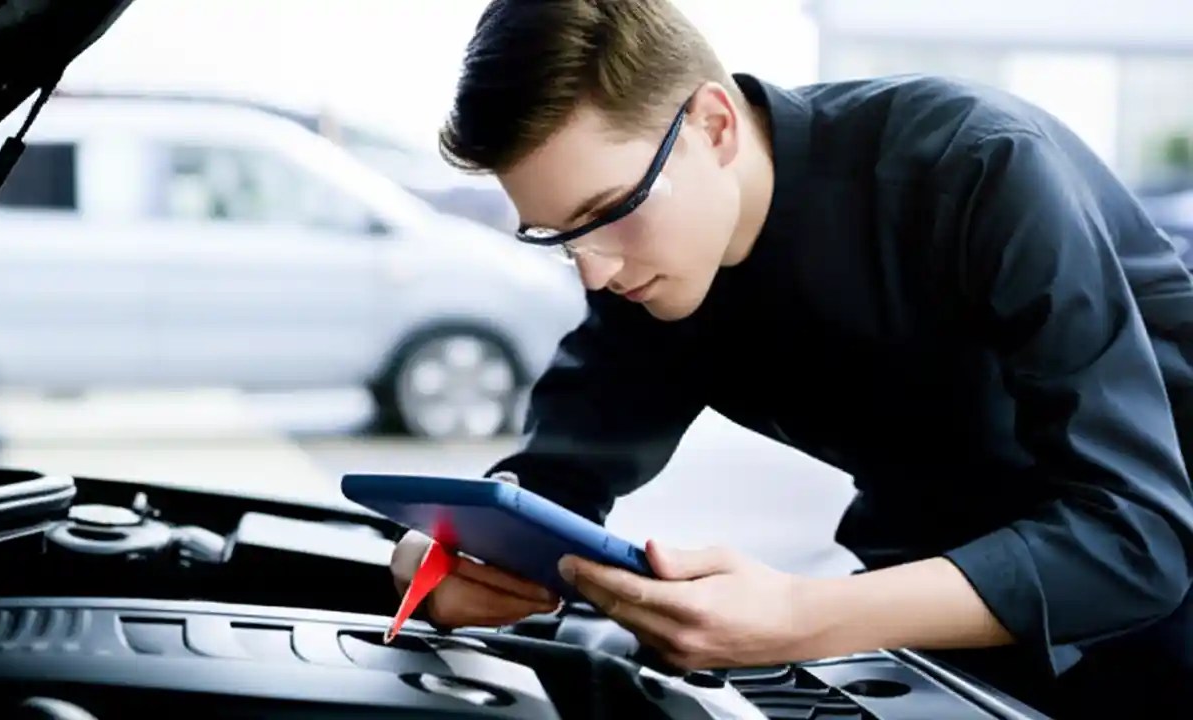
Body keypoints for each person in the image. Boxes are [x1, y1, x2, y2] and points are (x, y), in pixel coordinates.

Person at [388, 0, 1193, 715]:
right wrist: (460, 551)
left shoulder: (979, 166)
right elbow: (558, 476)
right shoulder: (651, 271)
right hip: (944, 612)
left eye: (611, 213)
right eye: (560, 236)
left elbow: (1138, 537)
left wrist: (801, 618)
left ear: (714, 125)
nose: (594, 270)